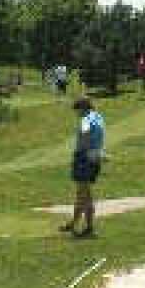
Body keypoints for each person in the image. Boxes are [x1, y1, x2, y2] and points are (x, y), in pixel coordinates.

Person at [59, 97, 105, 238]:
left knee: (85, 195)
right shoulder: (98, 116)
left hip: (85, 158)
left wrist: (84, 152)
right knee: (81, 194)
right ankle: (74, 223)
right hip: (94, 158)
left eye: (77, 110)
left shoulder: (85, 120)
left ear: (83, 108)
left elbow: (85, 136)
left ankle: (90, 229)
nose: (77, 114)